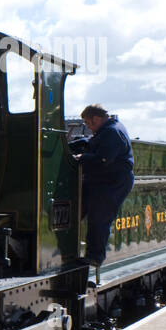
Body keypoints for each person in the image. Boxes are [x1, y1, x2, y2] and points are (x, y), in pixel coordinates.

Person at [72, 103, 134, 268]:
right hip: (101, 180)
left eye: (88, 123)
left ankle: (95, 257)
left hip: (113, 182)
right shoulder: (108, 129)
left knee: (99, 217)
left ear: (97, 119)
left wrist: (81, 158)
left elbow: (103, 159)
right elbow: (94, 141)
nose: (88, 126)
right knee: (78, 209)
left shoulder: (112, 132)